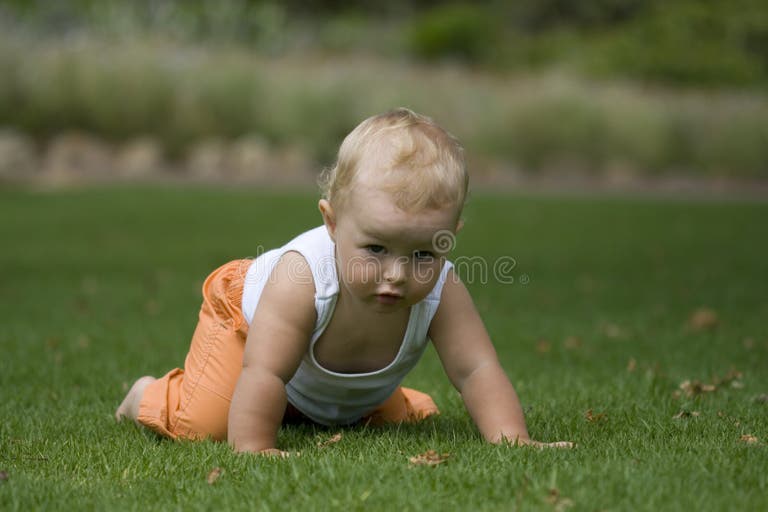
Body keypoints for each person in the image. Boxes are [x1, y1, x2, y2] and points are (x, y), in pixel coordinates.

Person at [115, 108, 572, 455]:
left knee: (380, 419)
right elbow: (265, 370)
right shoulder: (302, 278)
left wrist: (513, 438)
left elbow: (477, 369)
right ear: (332, 223)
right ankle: (146, 395)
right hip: (245, 330)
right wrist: (254, 448)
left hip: (321, 379)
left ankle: (319, 405)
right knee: (206, 424)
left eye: (423, 254)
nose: (396, 274)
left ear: (449, 237)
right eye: (375, 248)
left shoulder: (442, 289)